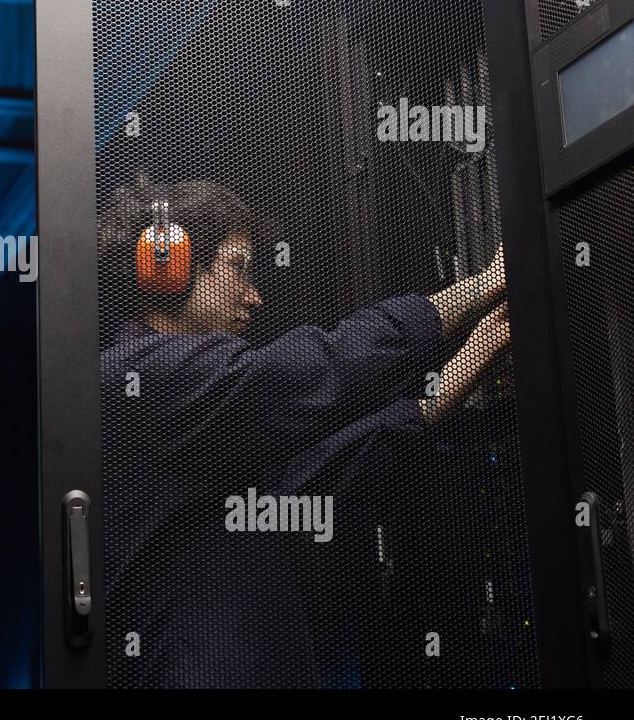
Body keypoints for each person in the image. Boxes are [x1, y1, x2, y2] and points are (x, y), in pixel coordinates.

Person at [98, 177, 510, 687]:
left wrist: (482, 345)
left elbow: (316, 480)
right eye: (237, 268)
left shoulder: (200, 416)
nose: (255, 297)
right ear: (168, 266)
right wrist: (485, 284)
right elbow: (319, 368)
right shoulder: (134, 376)